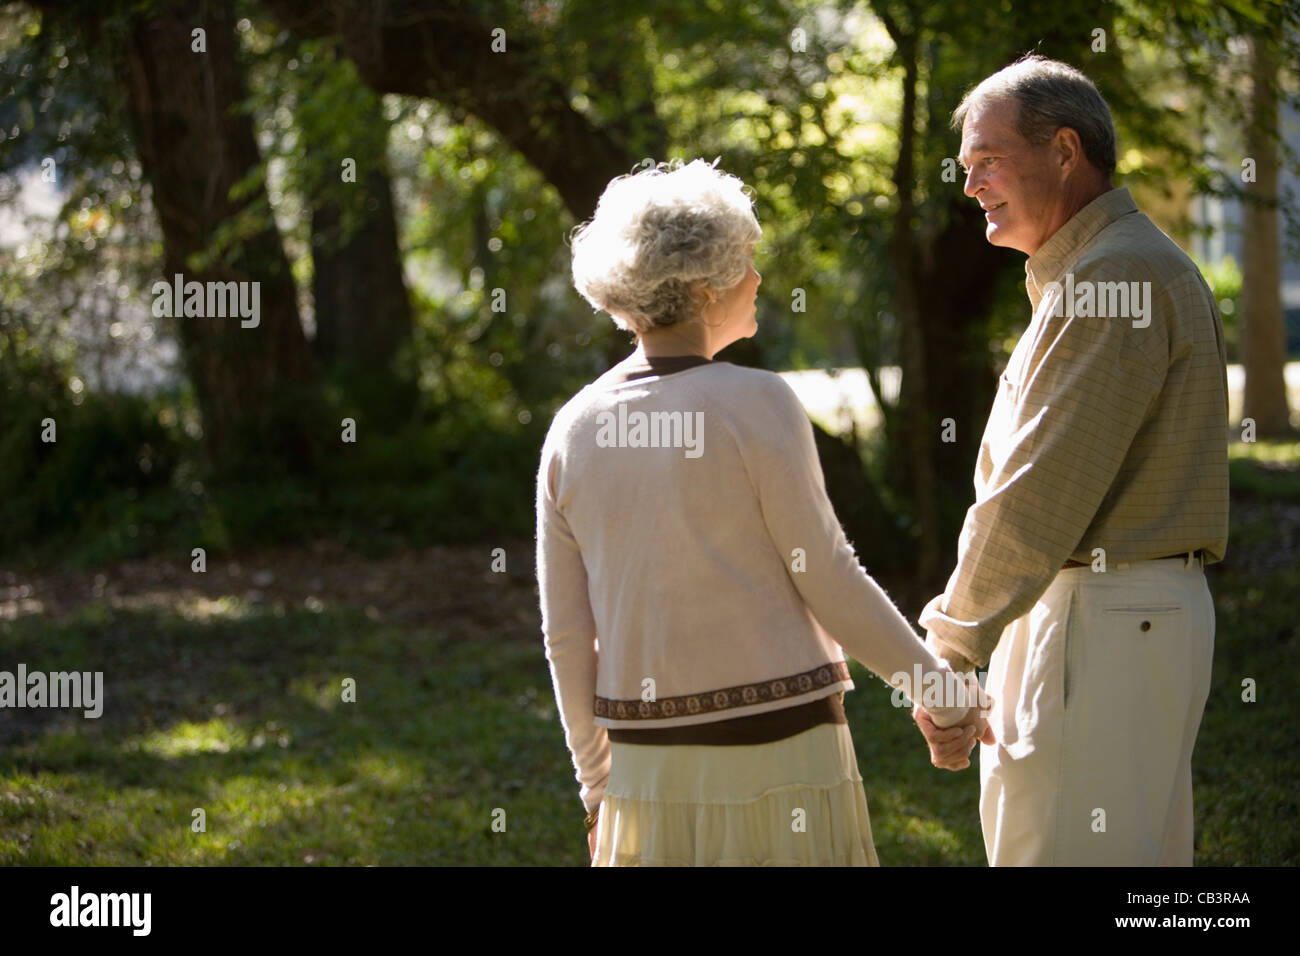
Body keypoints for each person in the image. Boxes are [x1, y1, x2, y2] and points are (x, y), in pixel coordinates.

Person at [536, 158, 987, 866]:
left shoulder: (571, 428)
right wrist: (947, 696)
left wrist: (598, 789)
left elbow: (566, 637)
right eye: (748, 260)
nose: (759, 279)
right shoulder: (759, 402)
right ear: (706, 286)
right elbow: (831, 579)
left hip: (644, 778)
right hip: (783, 761)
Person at [912, 55, 1229, 866]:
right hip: (1121, 614)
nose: (971, 182)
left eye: (988, 159)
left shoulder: (1109, 276)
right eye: (965, 164)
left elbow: (1036, 495)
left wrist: (947, 649)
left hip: (1103, 615)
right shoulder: (1101, 269)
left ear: (1064, 151)